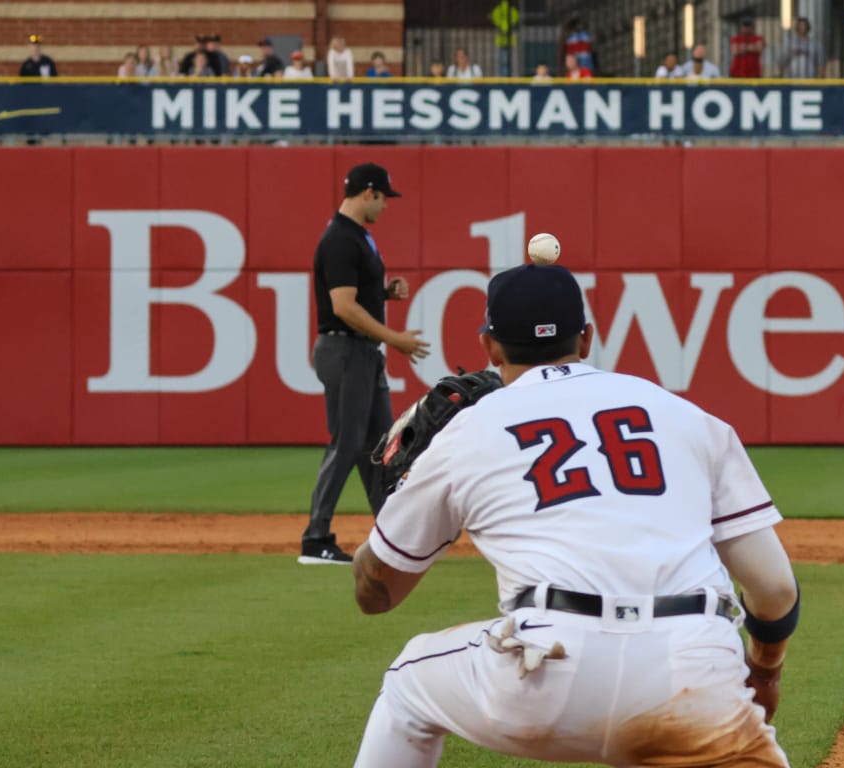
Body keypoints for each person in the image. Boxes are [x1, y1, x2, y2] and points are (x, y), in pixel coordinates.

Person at [349, 263, 799, 767]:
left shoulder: (467, 432)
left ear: (489, 346)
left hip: (547, 673)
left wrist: (408, 489)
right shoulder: (688, 417)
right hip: (694, 670)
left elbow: (377, 593)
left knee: (410, 681)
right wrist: (764, 673)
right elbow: (776, 589)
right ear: (585, 339)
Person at [302, 163, 430, 565]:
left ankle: (392, 537)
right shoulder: (340, 239)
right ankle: (315, 539)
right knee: (347, 444)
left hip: (362, 353)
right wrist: (396, 340)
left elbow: (354, 295)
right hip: (345, 350)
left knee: (379, 449)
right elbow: (341, 307)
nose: (386, 206)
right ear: (368, 193)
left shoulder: (357, 237)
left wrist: (383, 293)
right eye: (383, 198)